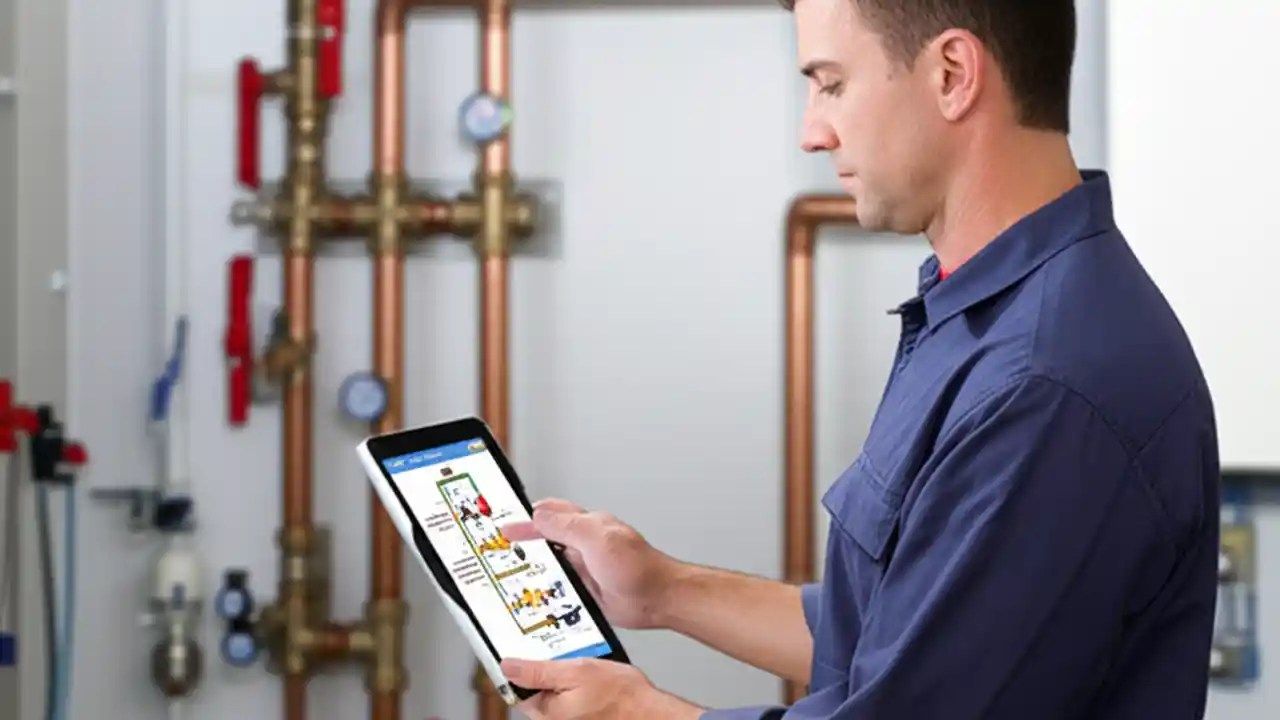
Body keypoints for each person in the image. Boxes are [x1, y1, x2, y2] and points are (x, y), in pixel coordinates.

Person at [498, 0, 1221, 717]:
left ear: (951, 75)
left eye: (831, 84)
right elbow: (893, 637)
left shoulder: (1046, 386)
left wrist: (629, 713)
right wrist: (662, 590)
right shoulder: (984, 320)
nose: (812, 133)